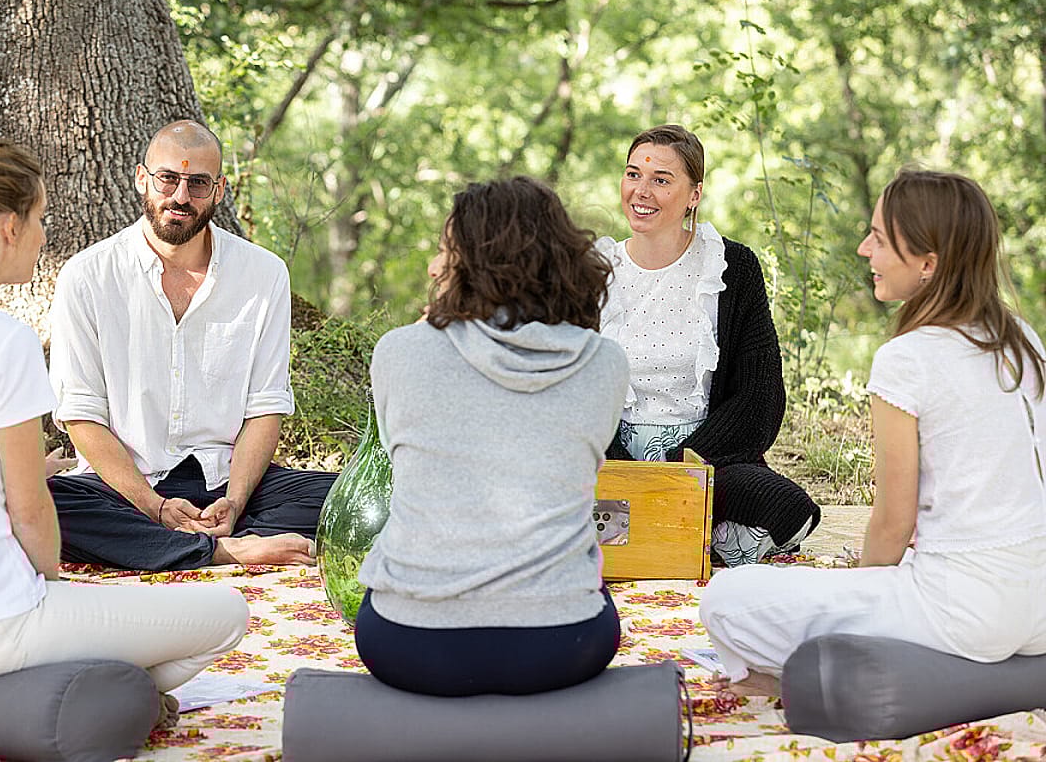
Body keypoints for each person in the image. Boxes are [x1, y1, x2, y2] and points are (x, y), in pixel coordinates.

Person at [0, 127, 250, 727]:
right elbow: (30, 512)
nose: (43, 236)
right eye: (40, 220)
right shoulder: (2, 338)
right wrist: (53, 591)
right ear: (9, 226)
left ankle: (86, 682)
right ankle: (104, 690)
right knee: (228, 614)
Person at [700, 169, 1046, 696]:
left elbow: (890, 523)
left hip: (967, 611)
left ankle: (822, 681)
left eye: (880, 238)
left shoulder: (907, 358)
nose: (865, 249)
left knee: (726, 600)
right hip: (1039, 608)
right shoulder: (1022, 338)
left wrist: (862, 589)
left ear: (928, 263)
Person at [354, 177, 628, 697]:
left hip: (407, 643)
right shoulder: (606, 363)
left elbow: (400, 458)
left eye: (445, 252)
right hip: (559, 645)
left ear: (477, 264)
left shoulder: (398, 351)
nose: (434, 267)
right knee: (596, 592)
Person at [47, 120, 335, 571]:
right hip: (124, 489)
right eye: (168, 178)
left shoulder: (263, 274)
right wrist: (153, 506)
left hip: (231, 482)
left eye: (198, 183)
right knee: (42, 502)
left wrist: (236, 501)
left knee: (370, 496)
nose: (181, 196)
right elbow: (81, 415)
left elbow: (264, 407)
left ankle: (181, 541)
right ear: (142, 178)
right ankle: (227, 550)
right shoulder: (87, 276)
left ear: (219, 190)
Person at [596, 124, 820, 566]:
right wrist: (633, 475)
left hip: (710, 462)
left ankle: (649, 528)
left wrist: (684, 467)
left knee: (783, 505)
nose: (641, 191)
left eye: (661, 179)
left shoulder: (731, 267)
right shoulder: (592, 272)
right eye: (633, 174)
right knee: (563, 495)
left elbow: (760, 394)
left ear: (694, 195)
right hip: (612, 461)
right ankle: (678, 530)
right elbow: (570, 391)